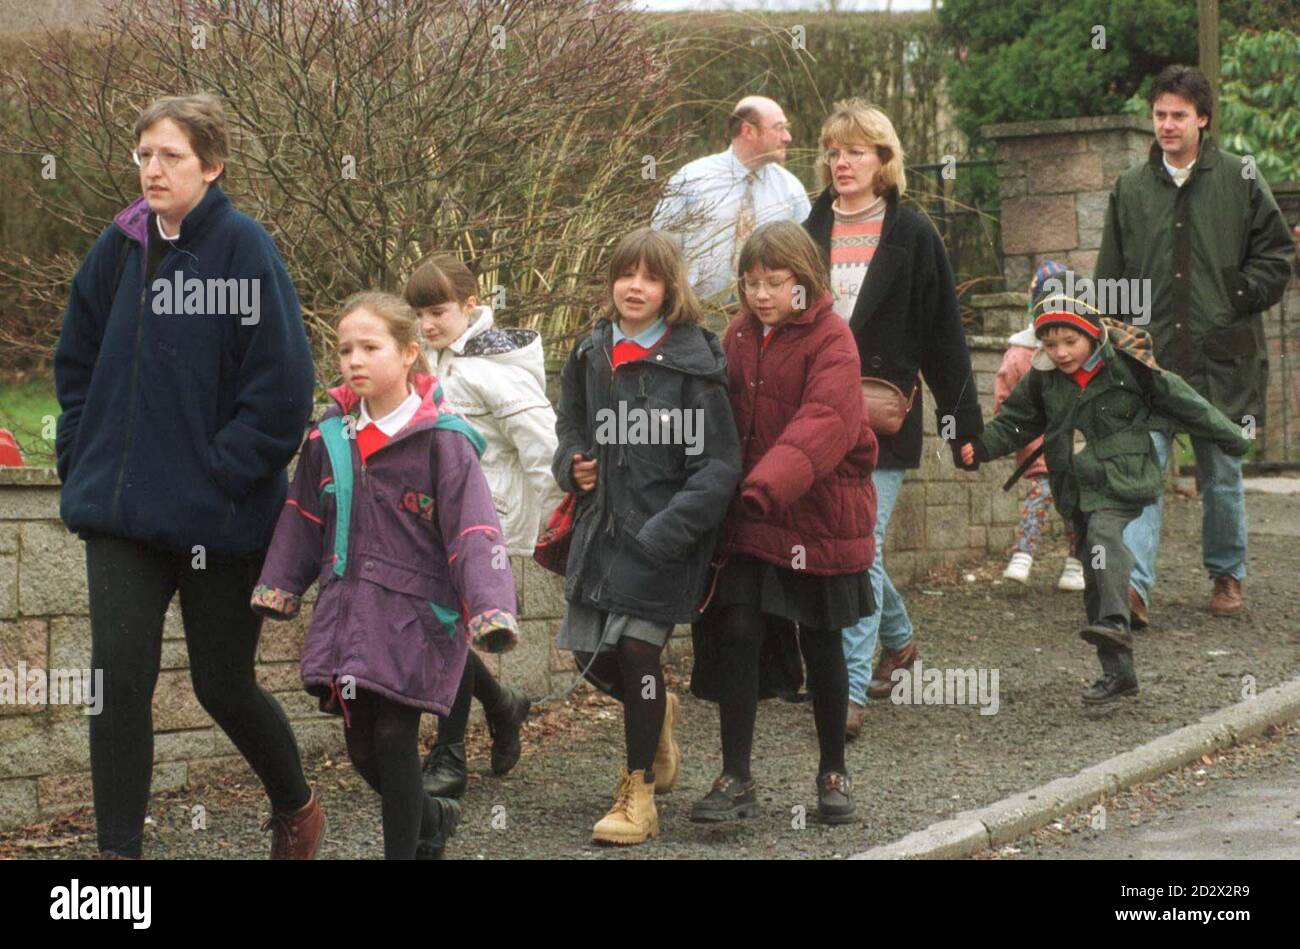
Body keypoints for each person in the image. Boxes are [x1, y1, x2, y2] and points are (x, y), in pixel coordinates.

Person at [53, 93, 321, 859]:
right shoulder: (120, 247)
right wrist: (83, 453)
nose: (152, 168)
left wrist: (217, 474)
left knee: (221, 683)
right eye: (143, 153)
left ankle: (296, 806)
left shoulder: (243, 251)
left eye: (170, 155)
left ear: (212, 164)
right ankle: (118, 863)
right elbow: (74, 363)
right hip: (122, 517)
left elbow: (280, 391)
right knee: (119, 683)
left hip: (217, 520)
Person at [251, 291, 519, 859]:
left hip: (417, 618)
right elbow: (302, 519)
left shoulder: (444, 440)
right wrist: (280, 585)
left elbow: (475, 531)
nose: (354, 359)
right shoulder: (328, 440)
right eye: (345, 348)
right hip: (348, 616)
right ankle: (431, 819)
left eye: (370, 347)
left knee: (396, 739)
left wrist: (490, 607)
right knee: (363, 752)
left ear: (408, 354)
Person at [961, 291, 1251, 704]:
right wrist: (981, 447)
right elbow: (1014, 423)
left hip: (1123, 479)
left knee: (1103, 536)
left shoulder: (1126, 367)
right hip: (1077, 488)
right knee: (1094, 577)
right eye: (1050, 343)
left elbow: (1186, 402)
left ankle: (1116, 620)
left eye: (1070, 342)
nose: (1060, 353)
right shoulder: (1043, 378)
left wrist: (1233, 438)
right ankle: (1119, 674)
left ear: (1092, 334)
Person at [552, 227, 741, 846]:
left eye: (650, 277)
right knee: (590, 655)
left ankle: (638, 795)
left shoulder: (694, 364)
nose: (635, 287)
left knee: (637, 653)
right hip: (601, 532)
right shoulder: (590, 353)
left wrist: (669, 530)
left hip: (664, 540)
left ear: (669, 288)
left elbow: (717, 468)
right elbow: (570, 429)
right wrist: (573, 463)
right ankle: (654, 712)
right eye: (625, 274)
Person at [802, 99, 983, 737]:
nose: (841, 161)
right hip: (819, 419)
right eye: (833, 150)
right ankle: (900, 643)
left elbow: (945, 335)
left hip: (884, 416)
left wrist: (963, 424)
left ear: (884, 160)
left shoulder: (913, 233)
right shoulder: (808, 228)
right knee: (850, 546)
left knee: (860, 548)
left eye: (856, 150)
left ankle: (848, 693)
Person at [691, 220, 877, 825]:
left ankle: (833, 771)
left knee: (821, 641)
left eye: (775, 282)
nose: (762, 294)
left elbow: (826, 421)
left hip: (817, 512)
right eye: (751, 282)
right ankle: (736, 775)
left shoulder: (833, 338)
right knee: (738, 629)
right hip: (752, 512)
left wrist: (766, 484)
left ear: (804, 280)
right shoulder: (738, 335)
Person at [1095, 64, 1294, 622]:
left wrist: (1235, 295)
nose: (1167, 125)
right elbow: (1113, 277)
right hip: (1150, 358)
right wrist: (1121, 334)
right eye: (1159, 114)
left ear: (1203, 119)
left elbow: (1276, 255)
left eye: (1179, 115)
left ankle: (1227, 575)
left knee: (1222, 477)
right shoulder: (1130, 188)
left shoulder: (1241, 178)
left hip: (1221, 358)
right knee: (1141, 474)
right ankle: (1134, 588)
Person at [404, 253, 563, 799]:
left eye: (439, 311)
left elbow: (543, 449)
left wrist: (556, 522)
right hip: (427, 515)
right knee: (440, 625)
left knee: (447, 627)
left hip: (482, 520)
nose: (427, 323)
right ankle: (501, 704)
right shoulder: (424, 360)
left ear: (472, 306)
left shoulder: (497, 370)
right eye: (419, 313)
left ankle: (449, 754)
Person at [652, 95, 810, 305]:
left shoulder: (791, 189)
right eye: (779, 128)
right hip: (697, 316)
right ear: (748, 131)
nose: (788, 137)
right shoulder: (691, 179)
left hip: (770, 321)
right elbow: (658, 248)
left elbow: (807, 260)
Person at [997, 260, 1084, 590]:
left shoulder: (1083, 349)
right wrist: (1018, 434)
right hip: (1039, 445)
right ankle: (1024, 552)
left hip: (1075, 446)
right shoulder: (1021, 353)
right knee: (1043, 490)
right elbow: (1008, 400)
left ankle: (1076, 563)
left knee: (1075, 502)